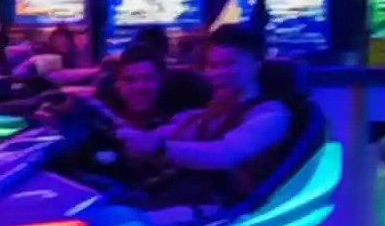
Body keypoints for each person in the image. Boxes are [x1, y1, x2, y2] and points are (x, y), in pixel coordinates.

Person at [121, 25, 292, 209]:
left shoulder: (271, 115)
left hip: (231, 216)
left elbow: (223, 154)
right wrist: (126, 135)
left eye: (228, 64)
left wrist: (158, 147)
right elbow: (168, 134)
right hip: (191, 205)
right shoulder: (206, 115)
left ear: (257, 63)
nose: (218, 74)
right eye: (212, 65)